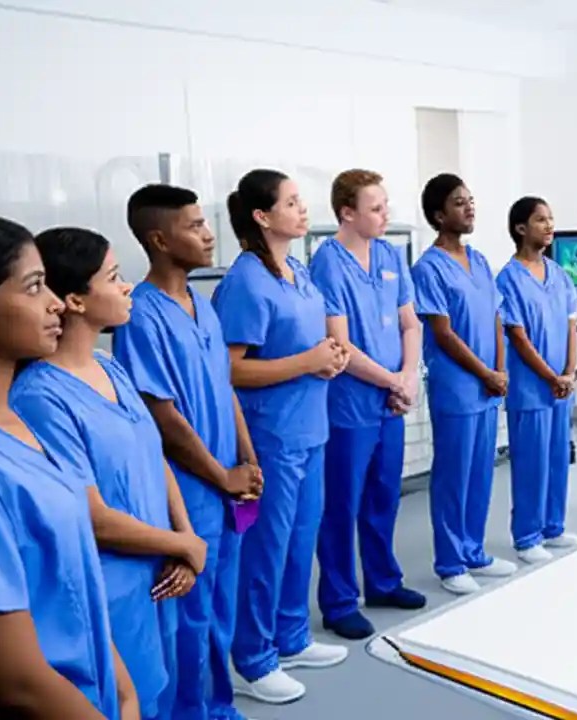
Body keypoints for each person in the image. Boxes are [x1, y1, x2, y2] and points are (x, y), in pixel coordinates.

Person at [0, 211, 137, 719]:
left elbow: (68, 591)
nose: (54, 304)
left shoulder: (16, 426)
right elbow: (16, 684)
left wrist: (124, 695)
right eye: (33, 287)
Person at [12, 227, 208, 720]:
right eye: (115, 278)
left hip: (159, 577)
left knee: (160, 693)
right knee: (124, 700)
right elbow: (91, 515)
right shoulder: (41, 398)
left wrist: (183, 537)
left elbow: (153, 454)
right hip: (109, 592)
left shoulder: (110, 367)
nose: (127, 288)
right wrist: (179, 546)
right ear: (74, 300)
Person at [113, 183, 262, 720]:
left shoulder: (202, 302)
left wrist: (247, 457)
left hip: (226, 479)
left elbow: (224, 387)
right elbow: (163, 415)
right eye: (194, 225)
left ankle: (219, 706)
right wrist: (220, 474)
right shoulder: (143, 315)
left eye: (205, 222)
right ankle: (190, 712)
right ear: (159, 238)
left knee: (222, 607)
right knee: (190, 618)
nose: (207, 234)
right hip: (193, 489)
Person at [214, 168, 350, 705]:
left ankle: (291, 636)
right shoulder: (246, 280)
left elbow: (309, 341)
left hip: (309, 427)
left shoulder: (295, 269)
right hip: (271, 434)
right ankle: (252, 658)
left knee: (300, 538)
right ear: (261, 216)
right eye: (291, 202)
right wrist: (307, 361)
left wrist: (329, 358)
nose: (303, 209)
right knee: (266, 548)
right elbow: (229, 370)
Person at [310, 169, 427, 640]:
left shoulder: (388, 254)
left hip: (390, 403)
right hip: (351, 405)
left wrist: (408, 379)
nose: (386, 215)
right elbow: (340, 345)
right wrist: (391, 381)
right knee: (341, 503)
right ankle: (339, 600)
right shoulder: (328, 264)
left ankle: (382, 581)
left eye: (385, 205)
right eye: (375, 208)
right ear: (347, 213)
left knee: (383, 495)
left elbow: (410, 324)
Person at [411, 173, 516, 595]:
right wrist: (485, 372)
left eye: (471, 200)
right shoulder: (429, 267)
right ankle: (450, 561)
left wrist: (501, 369)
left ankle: (474, 551)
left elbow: (495, 318)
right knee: (453, 475)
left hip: (488, 386)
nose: (469, 207)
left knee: (480, 473)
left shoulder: (480, 261)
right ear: (439, 215)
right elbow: (443, 333)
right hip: (458, 386)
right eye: (459, 202)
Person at [495, 197, 577, 565]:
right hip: (531, 388)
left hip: (561, 387)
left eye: (551, 219)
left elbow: (571, 324)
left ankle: (553, 527)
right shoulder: (509, 278)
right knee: (531, 461)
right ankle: (527, 535)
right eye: (541, 220)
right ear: (520, 228)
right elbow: (517, 336)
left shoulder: (559, 274)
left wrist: (570, 372)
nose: (549, 226)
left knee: (557, 458)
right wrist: (551, 376)